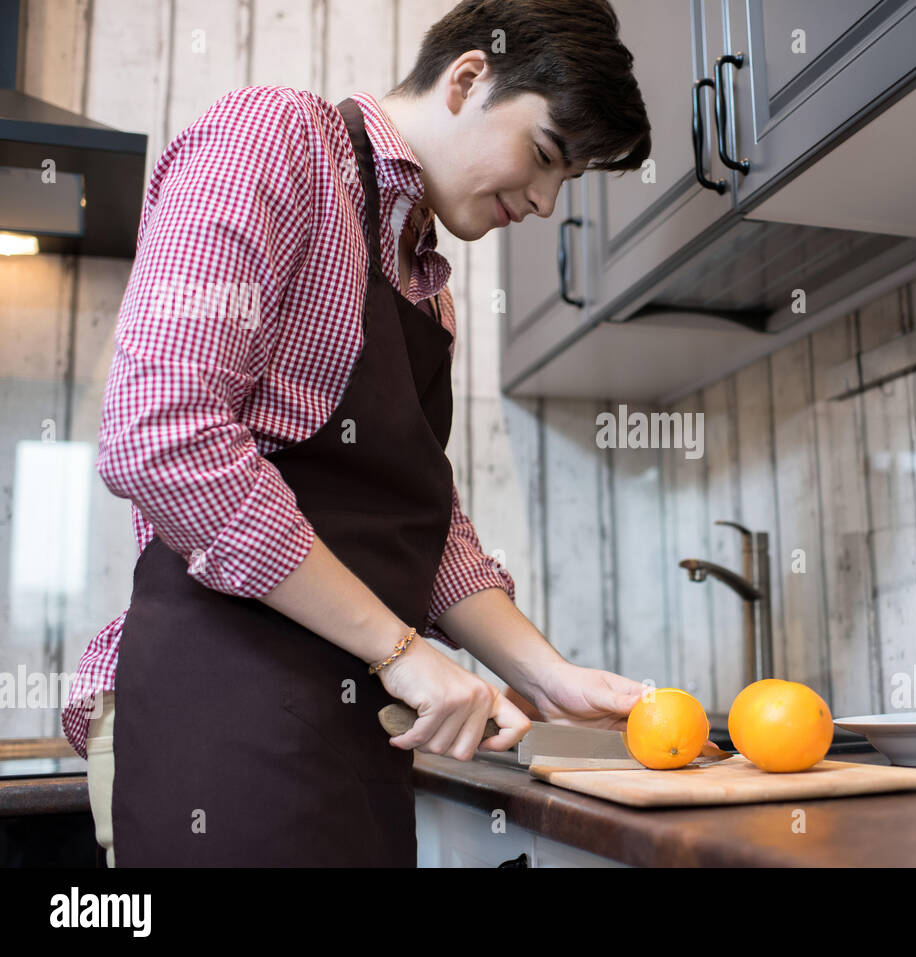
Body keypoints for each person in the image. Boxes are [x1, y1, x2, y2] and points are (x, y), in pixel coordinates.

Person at [61, 0, 652, 867]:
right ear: (468, 78)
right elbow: (163, 431)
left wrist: (546, 674)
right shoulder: (274, 140)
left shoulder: (426, 288)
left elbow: (424, 527)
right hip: (225, 711)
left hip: (355, 725)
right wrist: (402, 651)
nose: (543, 201)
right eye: (545, 157)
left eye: (568, 184)